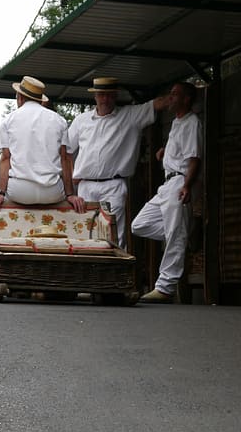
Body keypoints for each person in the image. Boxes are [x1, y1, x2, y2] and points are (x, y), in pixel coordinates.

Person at [66, 76, 168, 247]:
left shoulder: (129, 115)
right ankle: (89, 273)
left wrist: (178, 97)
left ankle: (117, 272)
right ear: (95, 96)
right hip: (85, 186)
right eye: (101, 95)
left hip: (113, 185)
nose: (105, 99)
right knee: (85, 231)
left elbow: (156, 104)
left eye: (109, 95)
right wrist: (70, 181)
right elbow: (66, 151)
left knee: (114, 234)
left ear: (115, 96)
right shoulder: (81, 120)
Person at [131, 81, 202, 303]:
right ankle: (185, 233)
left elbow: (193, 159)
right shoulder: (177, 122)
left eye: (175, 94)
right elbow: (180, 150)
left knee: (175, 233)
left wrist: (187, 186)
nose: (170, 98)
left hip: (178, 182)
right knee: (139, 224)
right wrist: (165, 151)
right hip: (167, 183)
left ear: (187, 99)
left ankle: (165, 287)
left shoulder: (192, 122)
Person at [0, 76, 84, 214]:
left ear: (19, 97)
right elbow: (65, 159)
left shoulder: (9, 120)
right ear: (40, 99)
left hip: (19, 192)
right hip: (52, 193)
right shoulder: (59, 120)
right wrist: (70, 194)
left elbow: (5, 158)